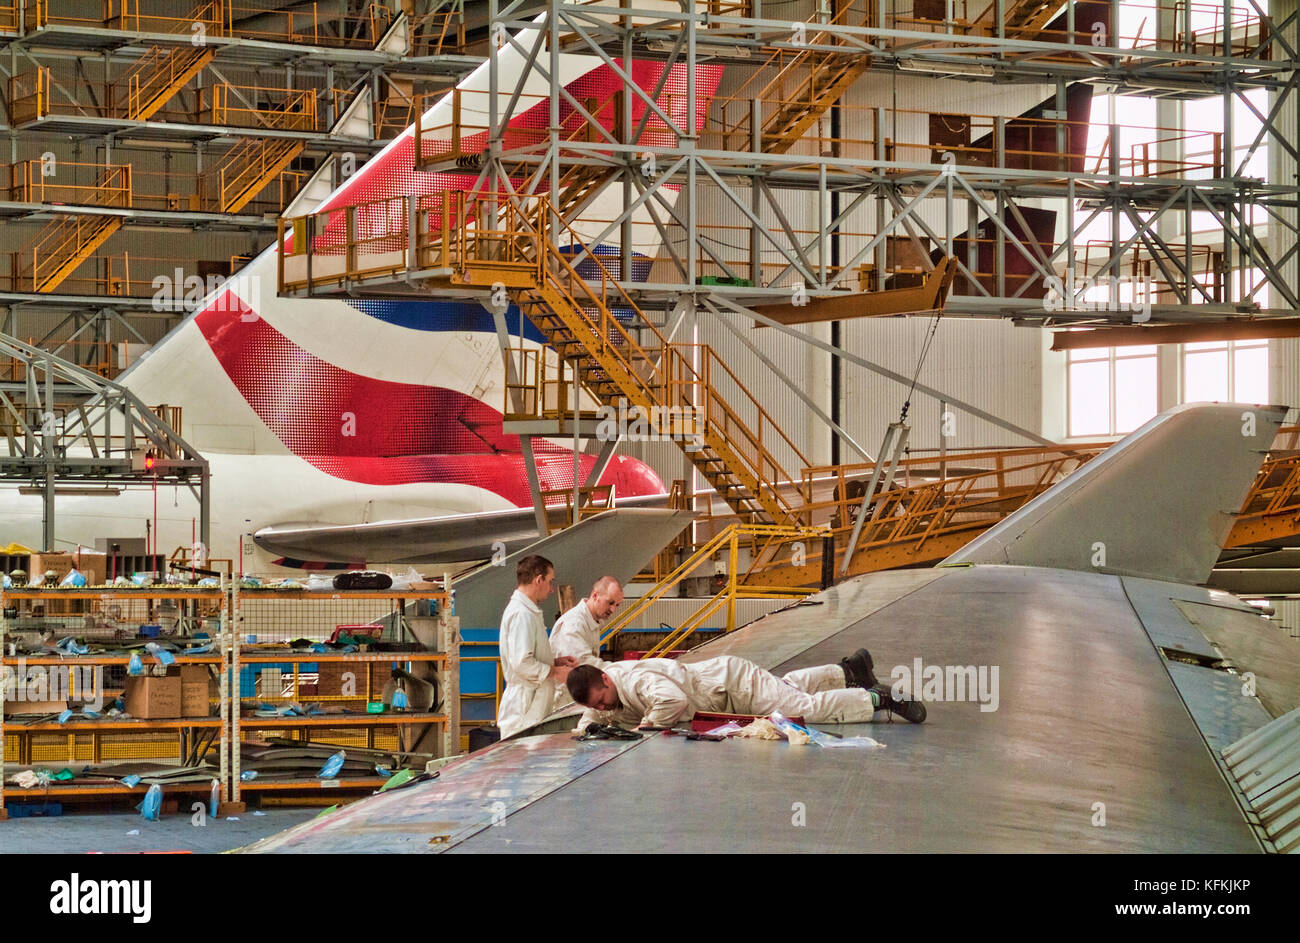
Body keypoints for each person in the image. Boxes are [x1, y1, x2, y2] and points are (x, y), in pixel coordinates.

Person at [566, 648, 926, 731]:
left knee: (800, 710)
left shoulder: (637, 681)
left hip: (735, 684)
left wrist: (647, 726)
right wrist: (586, 728)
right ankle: (849, 671)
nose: (604, 708)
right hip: (727, 685)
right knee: (786, 688)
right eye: (598, 706)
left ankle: (880, 699)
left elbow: (672, 702)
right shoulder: (606, 684)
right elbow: (593, 712)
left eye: (603, 701)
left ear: (606, 680)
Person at [497, 554, 577, 738]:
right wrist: (556, 672)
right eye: (550, 582)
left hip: (531, 704)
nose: (551, 589)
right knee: (524, 754)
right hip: (524, 708)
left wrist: (554, 662)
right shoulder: (522, 614)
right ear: (539, 580)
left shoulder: (527, 612)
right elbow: (522, 663)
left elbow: (526, 656)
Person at [550, 576, 624, 667]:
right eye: (610, 602)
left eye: (617, 605)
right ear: (595, 596)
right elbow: (582, 665)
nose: (613, 610)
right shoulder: (574, 623)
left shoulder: (592, 621)